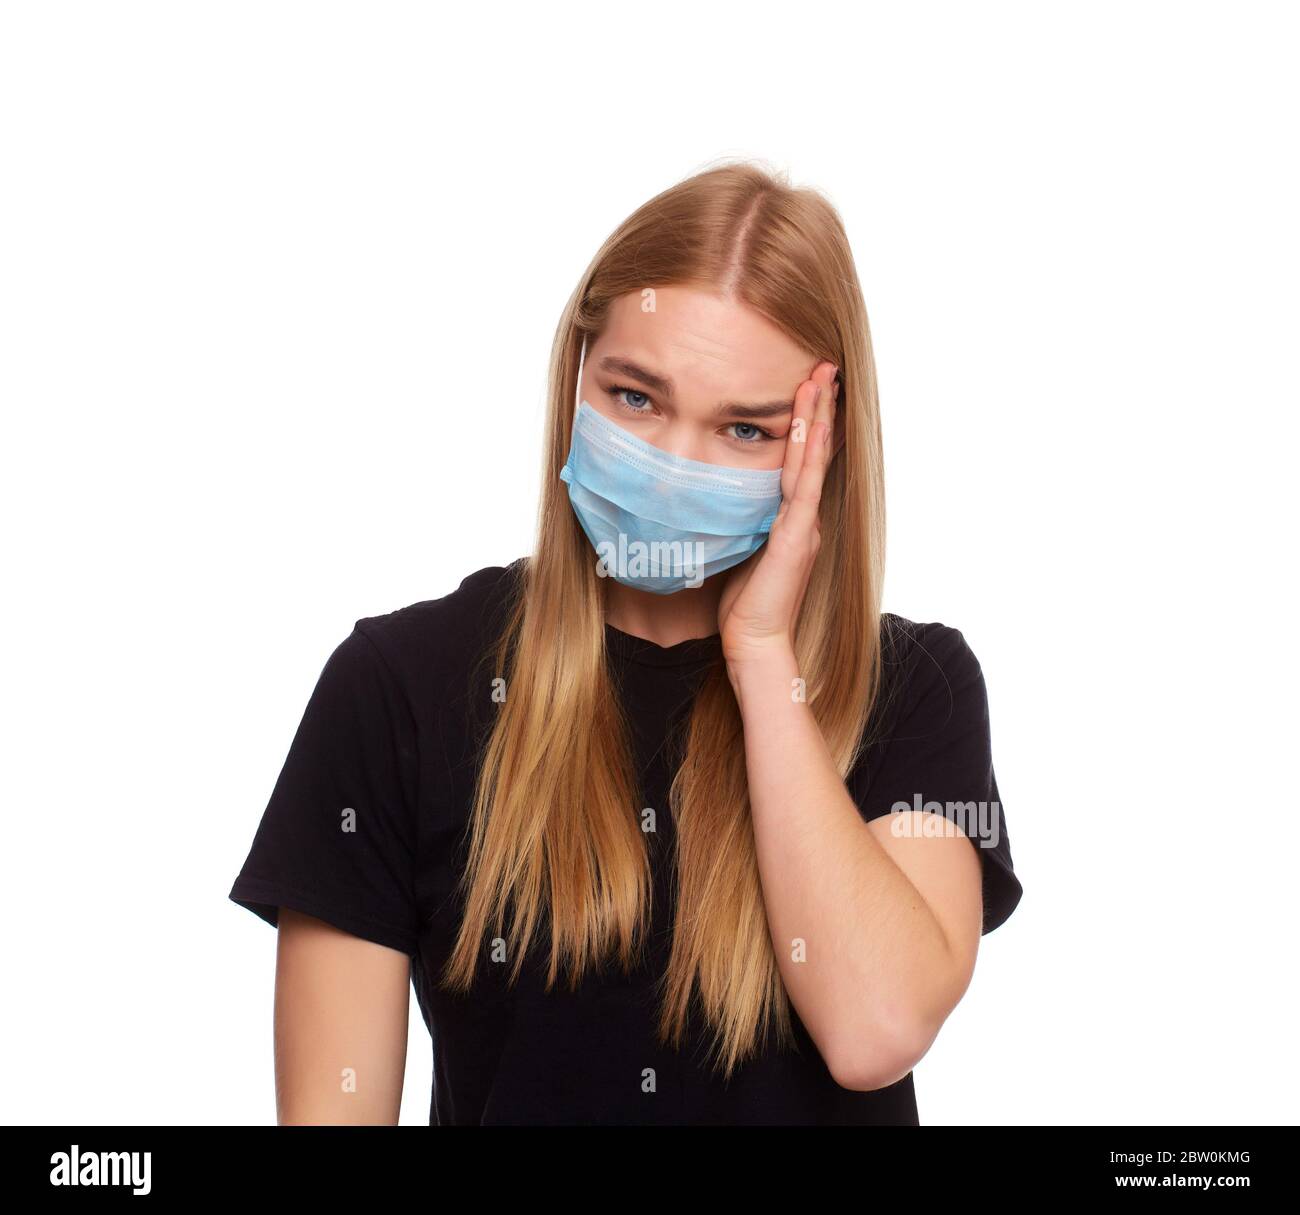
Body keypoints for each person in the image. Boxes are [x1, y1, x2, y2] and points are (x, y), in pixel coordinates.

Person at [228, 161, 1024, 1126]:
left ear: (822, 447)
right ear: (576, 374)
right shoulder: (399, 686)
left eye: (744, 428)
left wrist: (765, 656)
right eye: (638, 398)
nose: (676, 463)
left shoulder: (916, 690)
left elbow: (875, 1028)